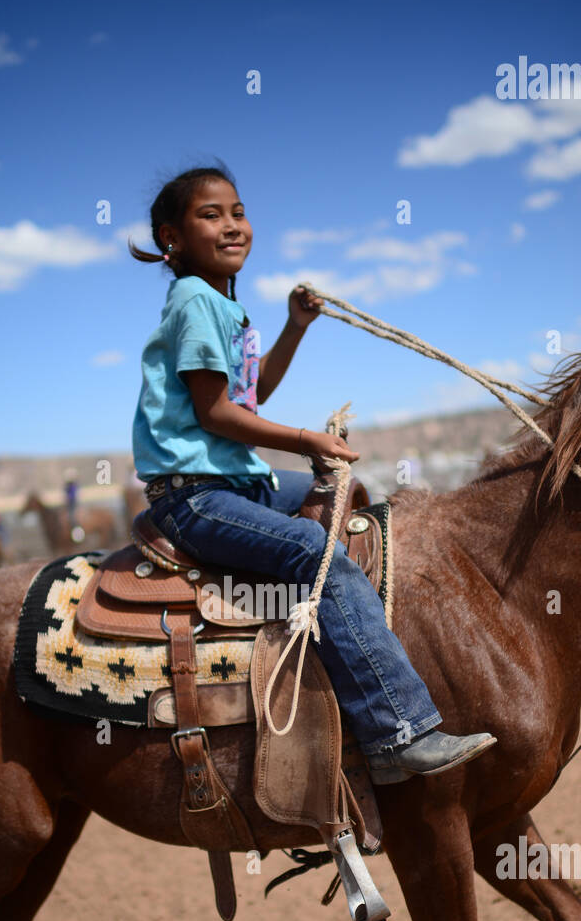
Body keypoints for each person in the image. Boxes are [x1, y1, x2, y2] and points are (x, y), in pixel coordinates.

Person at [127, 164, 495, 784]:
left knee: (356, 500)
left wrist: (296, 326)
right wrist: (307, 442)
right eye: (210, 215)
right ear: (172, 239)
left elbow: (254, 392)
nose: (231, 225)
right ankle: (395, 732)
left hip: (239, 481)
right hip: (195, 495)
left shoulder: (224, 304)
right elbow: (214, 413)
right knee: (308, 547)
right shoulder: (193, 301)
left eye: (237, 211)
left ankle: (348, 650)